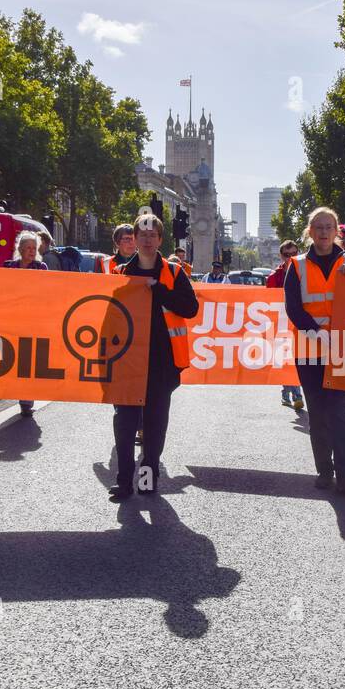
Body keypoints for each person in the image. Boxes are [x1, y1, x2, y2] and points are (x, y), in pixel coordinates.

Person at [109, 213, 199, 500]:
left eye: (153, 235)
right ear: (133, 239)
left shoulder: (174, 273)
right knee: (124, 422)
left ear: (160, 239)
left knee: (154, 425)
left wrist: (158, 292)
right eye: (142, 234)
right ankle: (123, 482)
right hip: (126, 362)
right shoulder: (120, 274)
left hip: (161, 365)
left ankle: (147, 479)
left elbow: (190, 308)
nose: (147, 239)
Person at [285, 206, 345, 493]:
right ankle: (324, 472)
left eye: (329, 227)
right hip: (308, 350)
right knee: (318, 413)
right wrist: (316, 333)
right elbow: (293, 307)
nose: (324, 232)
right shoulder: (297, 265)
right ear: (310, 232)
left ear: (337, 230)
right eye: (319, 227)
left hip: (340, 348)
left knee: (341, 412)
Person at [3, 232, 49, 416]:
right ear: (20, 249)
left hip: (33, 322)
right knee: (14, 361)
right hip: (12, 321)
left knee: (29, 362)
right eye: (28, 248)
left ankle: (26, 399)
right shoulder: (8, 267)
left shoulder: (41, 267)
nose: (31, 251)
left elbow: (47, 292)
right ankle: (20, 394)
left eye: (34, 248)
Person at [267, 240, 305, 411]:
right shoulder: (274, 277)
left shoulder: (306, 273)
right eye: (287, 254)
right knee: (285, 361)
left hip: (299, 325)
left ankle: (290, 393)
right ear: (281, 256)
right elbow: (267, 304)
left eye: (294, 254)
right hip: (280, 326)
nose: (290, 257)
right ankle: (294, 394)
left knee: (293, 360)